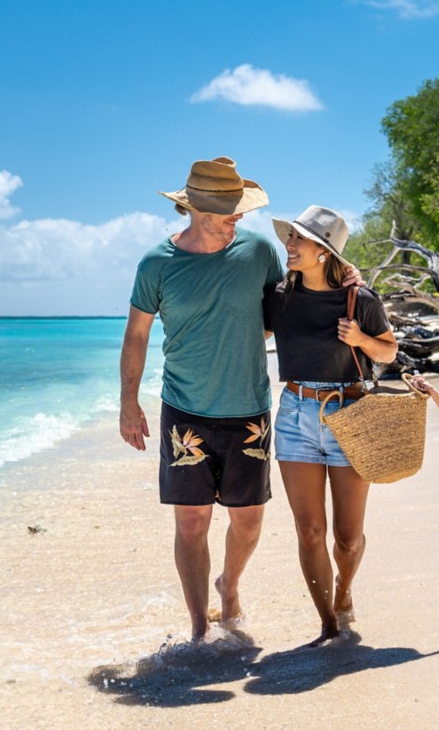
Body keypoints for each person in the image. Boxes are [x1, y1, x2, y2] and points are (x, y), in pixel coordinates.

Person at [119, 157, 284, 641]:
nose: (238, 214)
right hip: (183, 411)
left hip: (249, 406)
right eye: (228, 206)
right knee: (191, 524)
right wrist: (129, 403)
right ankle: (197, 627)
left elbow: (282, 311)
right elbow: (136, 336)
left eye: (238, 205)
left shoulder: (259, 251)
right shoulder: (157, 263)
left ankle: (229, 586)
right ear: (196, 209)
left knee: (249, 522)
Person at [263, 205, 399, 646]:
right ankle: (327, 623)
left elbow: (389, 353)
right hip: (294, 416)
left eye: (298, 240)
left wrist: (360, 339)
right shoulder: (278, 297)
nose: (290, 245)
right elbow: (244, 327)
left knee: (347, 536)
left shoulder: (359, 299)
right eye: (290, 238)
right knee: (309, 532)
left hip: (350, 415)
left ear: (323, 251)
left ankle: (344, 590)